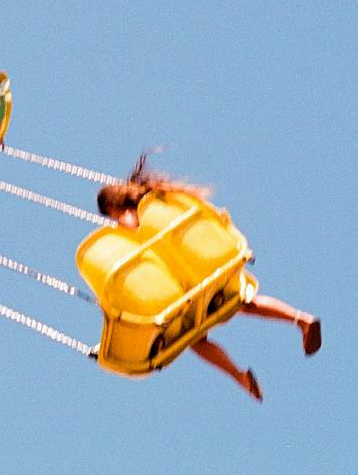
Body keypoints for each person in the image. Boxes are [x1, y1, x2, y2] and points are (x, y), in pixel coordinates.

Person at [94, 156, 321, 399]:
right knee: (246, 302)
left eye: (111, 215)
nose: (114, 220)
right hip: (208, 267)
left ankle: (238, 376)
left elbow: (132, 231)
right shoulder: (164, 202)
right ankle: (302, 320)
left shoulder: (134, 215)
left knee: (195, 339)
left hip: (188, 282)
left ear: (115, 207)